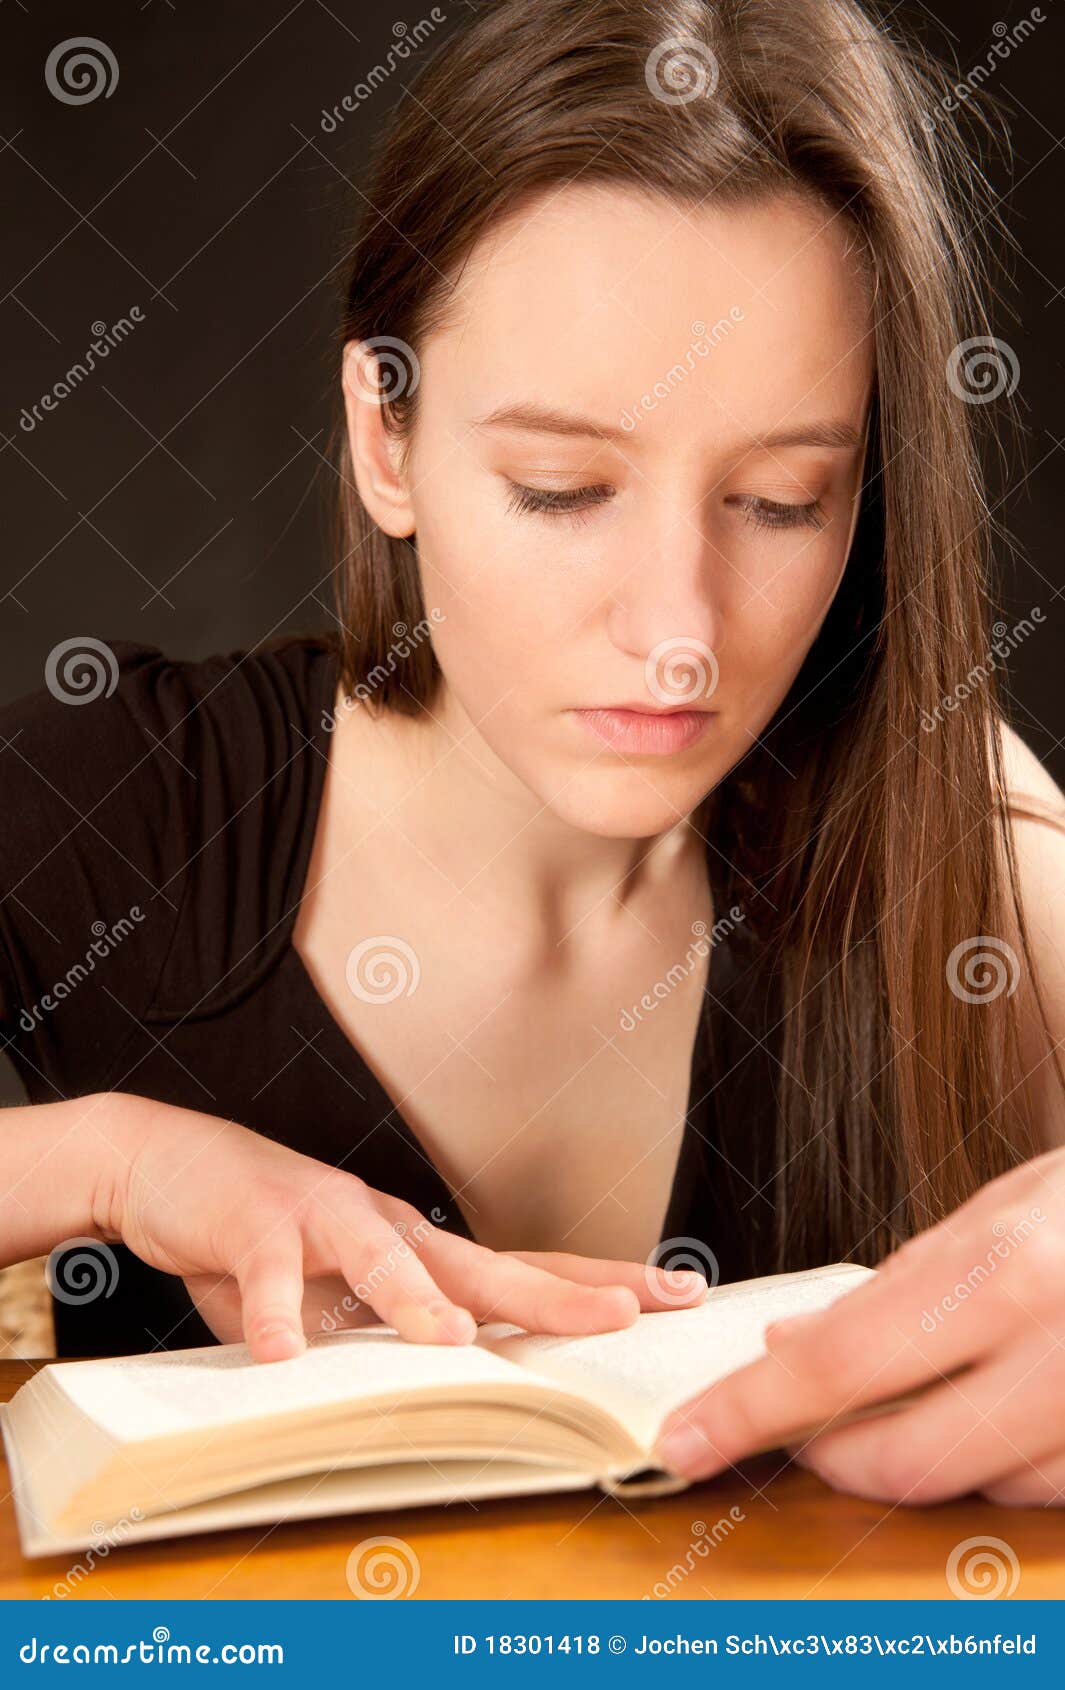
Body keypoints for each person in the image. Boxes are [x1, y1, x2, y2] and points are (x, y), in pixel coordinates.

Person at [2, 0, 1063, 1508]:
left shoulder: (947, 828)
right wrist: (101, 1161)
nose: (679, 629)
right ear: (387, 439)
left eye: (779, 500)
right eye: (562, 488)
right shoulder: (112, 810)